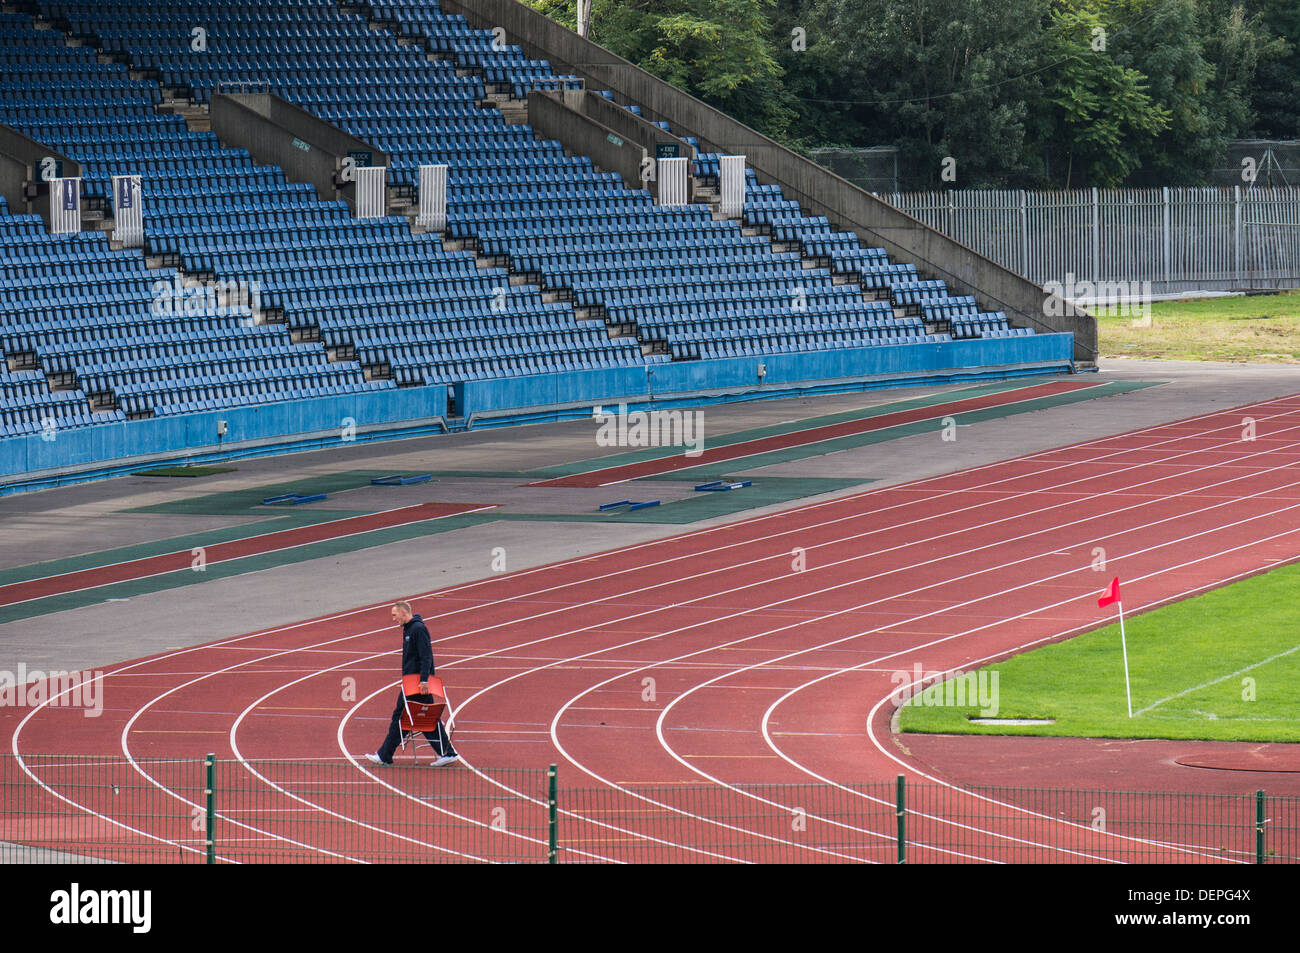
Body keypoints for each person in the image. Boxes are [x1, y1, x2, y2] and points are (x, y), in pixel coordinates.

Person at [364, 601, 459, 767]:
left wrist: (424, 680)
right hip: (411, 682)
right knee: (424, 719)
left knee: (403, 717)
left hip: (416, 684)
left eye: (394, 615)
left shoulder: (418, 629)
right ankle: (447, 752)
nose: (393, 619)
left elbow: (426, 656)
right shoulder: (410, 629)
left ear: (403, 613)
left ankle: (384, 755)